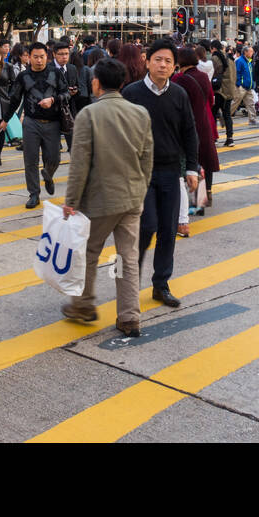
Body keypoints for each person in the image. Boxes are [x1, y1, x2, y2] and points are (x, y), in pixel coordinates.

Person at [61, 58, 153, 337]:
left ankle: (84, 306)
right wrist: (140, 188)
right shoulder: (140, 113)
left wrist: (70, 201)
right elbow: (147, 158)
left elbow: (79, 164)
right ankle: (129, 317)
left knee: (88, 253)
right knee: (127, 256)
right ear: (122, 83)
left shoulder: (88, 115)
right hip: (132, 197)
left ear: (96, 83)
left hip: (99, 200)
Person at [122, 39, 199, 308]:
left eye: (168, 61)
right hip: (139, 174)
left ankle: (161, 284)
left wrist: (191, 167)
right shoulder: (131, 93)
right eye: (158, 59)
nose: (163, 65)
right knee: (145, 228)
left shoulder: (179, 94)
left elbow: (190, 132)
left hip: (169, 171)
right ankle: (129, 283)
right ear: (147, 61)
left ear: (174, 65)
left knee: (168, 230)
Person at [1, 42, 68, 209]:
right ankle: (34, 194)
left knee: (53, 158)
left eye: (42, 57)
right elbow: (15, 99)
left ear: (48, 56)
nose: (39, 60)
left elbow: (66, 94)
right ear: (28, 57)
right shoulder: (23, 77)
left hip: (53, 123)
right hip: (31, 123)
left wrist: (53, 100)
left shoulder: (56, 73)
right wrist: (6, 119)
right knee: (30, 160)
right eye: (35, 57)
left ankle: (48, 175)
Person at [174, 46, 219, 223]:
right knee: (205, 158)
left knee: (193, 160)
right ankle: (206, 193)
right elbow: (211, 99)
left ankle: (197, 203)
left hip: (188, 124)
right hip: (204, 120)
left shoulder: (179, 79)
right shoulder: (203, 76)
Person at [209, 40, 237, 147]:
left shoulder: (214, 59)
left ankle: (214, 138)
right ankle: (230, 138)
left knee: (213, 114)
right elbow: (234, 75)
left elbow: (211, 74)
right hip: (229, 91)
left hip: (218, 91)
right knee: (227, 115)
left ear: (213, 48)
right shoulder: (230, 59)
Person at [231, 44, 259, 124]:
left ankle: (252, 119)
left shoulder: (249, 61)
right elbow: (237, 73)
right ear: (245, 52)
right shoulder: (239, 61)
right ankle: (226, 116)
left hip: (248, 86)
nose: (252, 53)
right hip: (241, 86)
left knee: (250, 103)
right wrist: (239, 84)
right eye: (250, 51)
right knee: (235, 102)